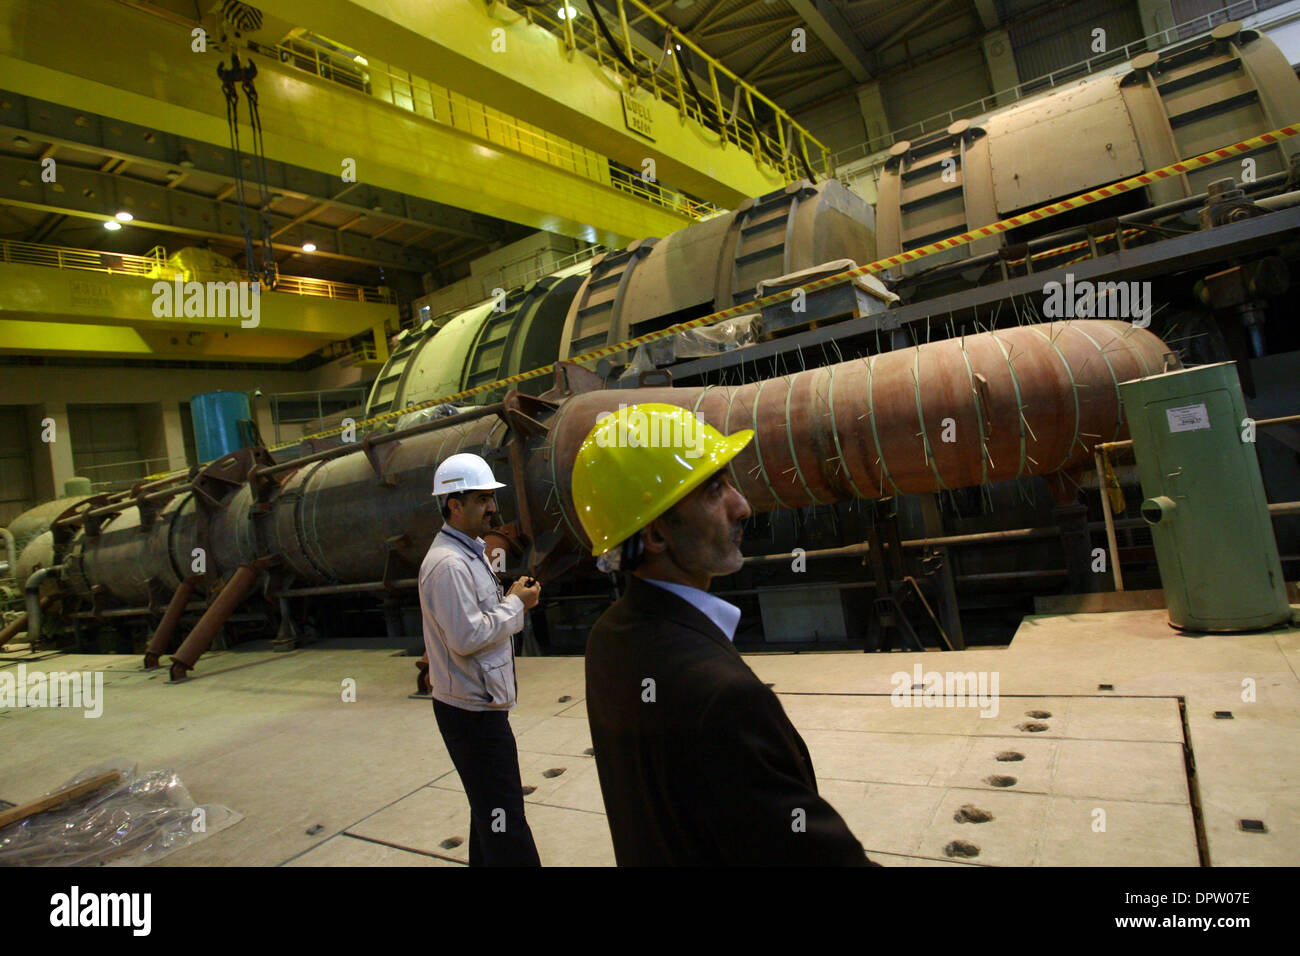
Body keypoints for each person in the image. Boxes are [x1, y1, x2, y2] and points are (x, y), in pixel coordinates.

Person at [574, 403, 877, 866]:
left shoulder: (609, 638)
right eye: (714, 491)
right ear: (656, 536)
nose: (743, 506)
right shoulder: (723, 696)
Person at [420, 452, 542, 867]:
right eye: (483, 499)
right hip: (471, 713)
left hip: (477, 705)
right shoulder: (449, 565)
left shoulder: (467, 552)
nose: (492, 508)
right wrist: (515, 605)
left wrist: (511, 601)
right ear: (454, 504)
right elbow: (466, 636)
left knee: (488, 812)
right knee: (505, 818)